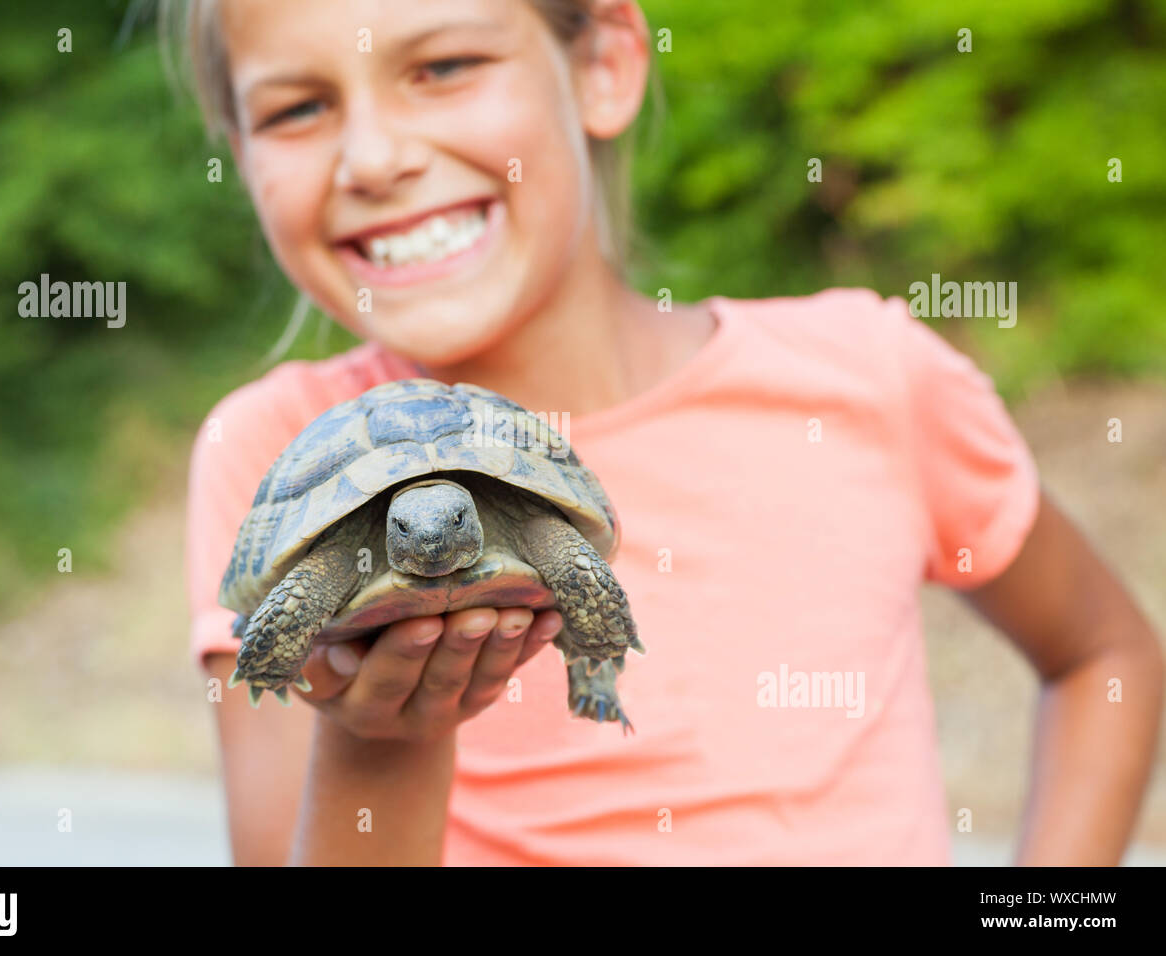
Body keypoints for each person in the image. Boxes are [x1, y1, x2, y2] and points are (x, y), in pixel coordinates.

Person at [175, 0, 1163, 865]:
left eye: (443, 66)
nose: (375, 156)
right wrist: (383, 737)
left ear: (601, 62)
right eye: (297, 108)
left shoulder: (866, 376)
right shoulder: (268, 447)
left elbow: (1102, 654)